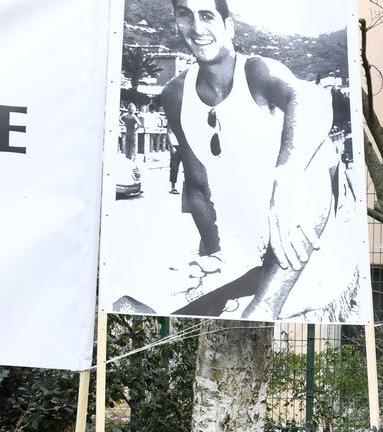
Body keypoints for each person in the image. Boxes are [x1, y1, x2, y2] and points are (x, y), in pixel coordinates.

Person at [135, 0, 360, 319]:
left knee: (317, 159)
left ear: (229, 26)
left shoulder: (256, 72)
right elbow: (197, 186)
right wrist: (214, 251)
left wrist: (285, 182)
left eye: (207, 16)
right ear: (175, 21)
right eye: (185, 15)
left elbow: (313, 100)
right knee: (136, 303)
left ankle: (264, 306)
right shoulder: (176, 94)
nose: (197, 28)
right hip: (246, 241)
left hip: (296, 228)